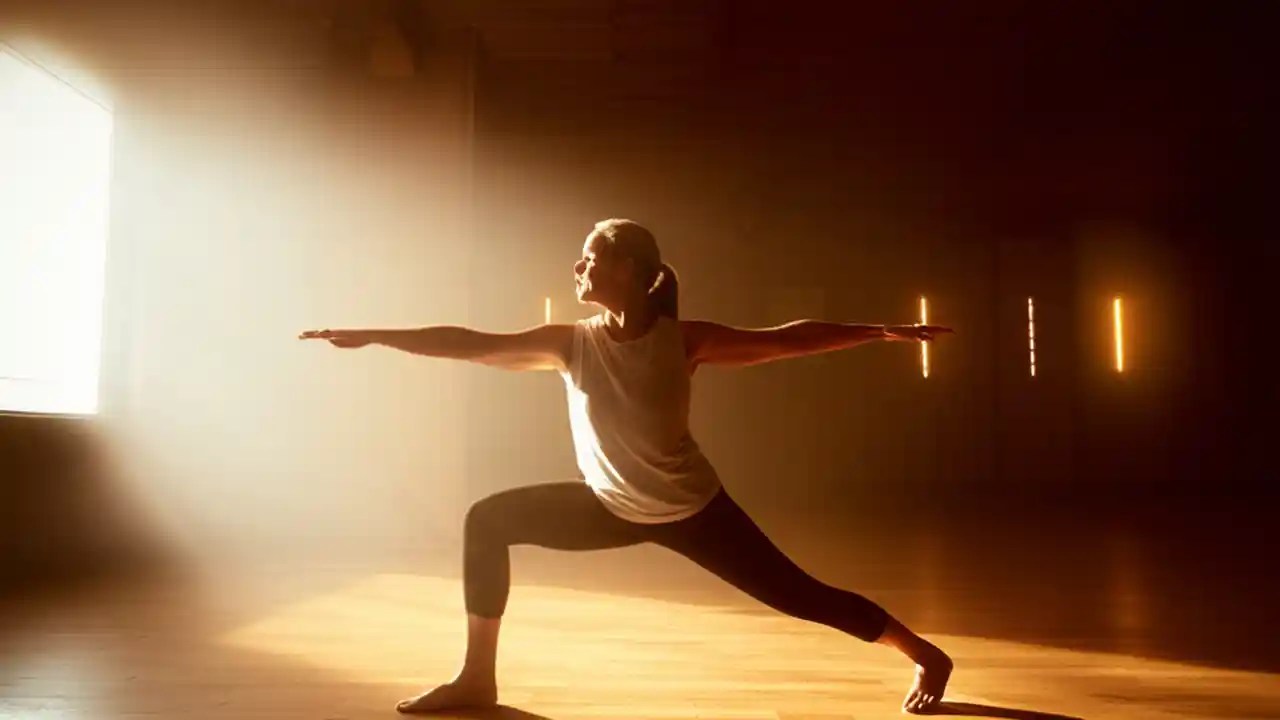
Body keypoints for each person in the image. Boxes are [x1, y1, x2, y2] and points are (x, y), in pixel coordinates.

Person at [299, 218, 955, 714]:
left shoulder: (682, 340)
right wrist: (378, 335)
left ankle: (926, 655)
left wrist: (877, 332)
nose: (578, 266)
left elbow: (788, 339)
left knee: (800, 596)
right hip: (609, 504)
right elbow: (470, 344)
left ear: (634, 272)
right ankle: (476, 679)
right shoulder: (570, 344)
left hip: (692, 512)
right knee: (487, 521)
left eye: (592, 258)